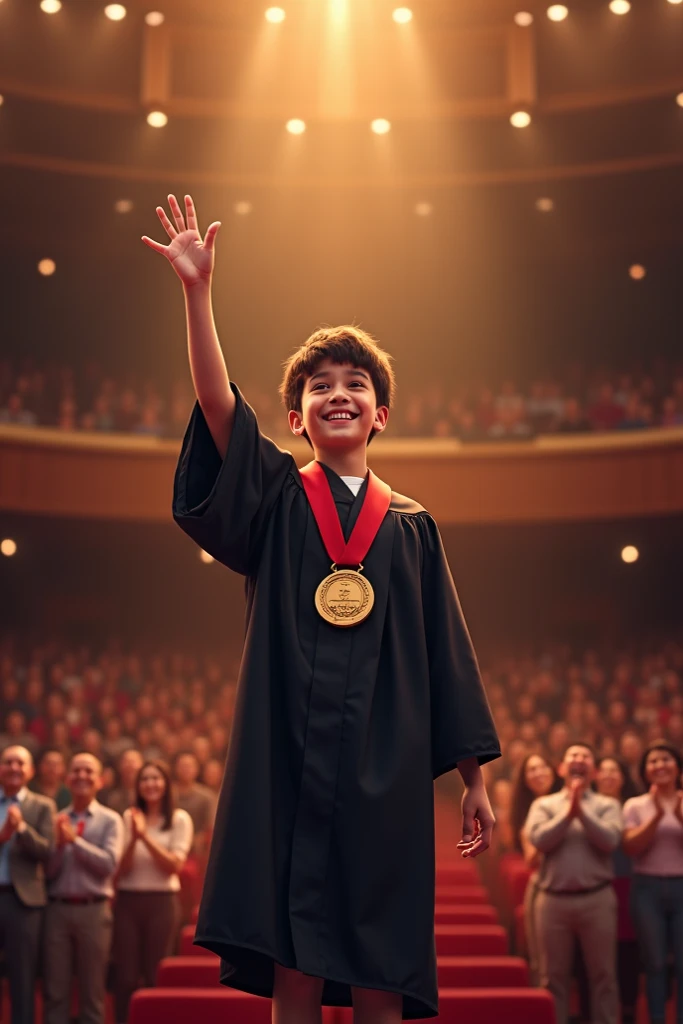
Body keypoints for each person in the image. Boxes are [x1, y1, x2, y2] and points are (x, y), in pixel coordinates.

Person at [145, 193, 500, 1022]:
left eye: (354, 384)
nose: (335, 394)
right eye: (316, 386)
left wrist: (475, 779)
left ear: (379, 413)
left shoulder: (411, 527)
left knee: (379, 962)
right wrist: (198, 295)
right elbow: (216, 407)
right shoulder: (274, 498)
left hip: (385, 767)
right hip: (286, 756)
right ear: (297, 418)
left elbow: (445, 650)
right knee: (294, 962)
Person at [525, 743, 623, 1024]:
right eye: (573, 756)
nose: (578, 760)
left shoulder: (608, 805)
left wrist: (582, 810)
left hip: (598, 899)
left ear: (593, 771)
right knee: (552, 978)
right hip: (552, 900)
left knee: (604, 976)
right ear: (561, 768)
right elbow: (540, 841)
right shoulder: (543, 805)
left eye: (585, 757)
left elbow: (610, 842)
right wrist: (569, 811)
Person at [43, 753, 124, 1024]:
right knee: (55, 992)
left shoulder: (111, 820)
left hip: (94, 910)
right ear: (67, 779)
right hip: (57, 910)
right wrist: (58, 845)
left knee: (92, 994)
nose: (82, 776)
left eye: (88, 771)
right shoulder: (58, 819)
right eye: (76, 771)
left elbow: (109, 865)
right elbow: (49, 872)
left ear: (100, 780)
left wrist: (75, 842)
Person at [113, 760, 193, 1024]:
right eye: (144, 779)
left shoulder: (179, 819)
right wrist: (134, 837)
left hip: (162, 902)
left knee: (154, 974)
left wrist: (145, 836)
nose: (150, 784)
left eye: (156, 778)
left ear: (166, 784)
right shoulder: (129, 817)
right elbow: (121, 870)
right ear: (137, 786)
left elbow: (174, 866)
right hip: (128, 900)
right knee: (124, 977)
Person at [623, 742, 683, 1024]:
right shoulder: (635, 805)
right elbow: (631, 847)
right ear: (646, 771)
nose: (660, 765)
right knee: (655, 962)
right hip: (647, 888)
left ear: (677, 767)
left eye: (666, 759)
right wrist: (658, 815)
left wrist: (679, 815)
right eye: (653, 761)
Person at [0, 745, 55, 1024]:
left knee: (22, 980)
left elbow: (48, 851)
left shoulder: (42, 805)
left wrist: (21, 830)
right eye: (8, 762)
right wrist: (2, 836)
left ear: (31, 771)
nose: (13, 768)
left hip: (24, 903)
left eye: (20, 763)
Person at [594, 756, 640, 1024]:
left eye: (615, 771)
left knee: (626, 951)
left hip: (627, 884)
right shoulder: (585, 805)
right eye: (604, 770)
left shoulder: (632, 809)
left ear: (624, 778)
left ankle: (629, 1009)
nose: (609, 776)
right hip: (593, 885)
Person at [509, 753, 560, 985]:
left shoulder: (573, 800)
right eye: (532, 770)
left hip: (577, 882)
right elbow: (531, 858)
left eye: (543, 767)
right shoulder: (525, 812)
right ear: (525, 780)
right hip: (543, 886)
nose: (538, 773)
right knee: (543, 965)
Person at [172, 751, 216, 857]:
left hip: (197, 850)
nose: (186, 770)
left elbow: (209, 827)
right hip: (170, 845)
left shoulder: (207, 796)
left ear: (197, 769)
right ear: (175, 768)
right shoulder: (168, 794)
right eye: (182, 766)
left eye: (189, 766)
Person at [102, 748, 143, 816]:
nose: (130, 766)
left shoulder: (147, 793)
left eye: (133, 762)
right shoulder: (112, 796)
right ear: (120, 766)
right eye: (126, 762)